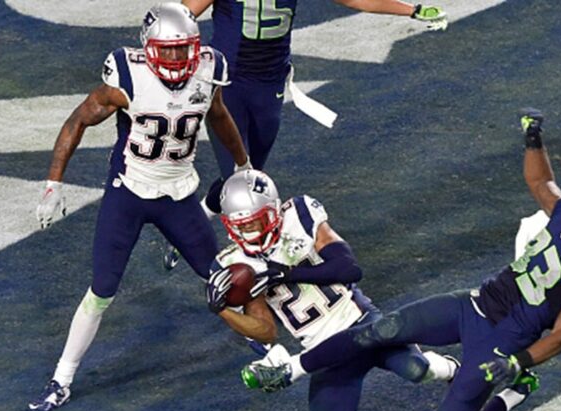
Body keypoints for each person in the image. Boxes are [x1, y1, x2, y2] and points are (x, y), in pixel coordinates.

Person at [240, 108, 561, 411]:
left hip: (506, 340)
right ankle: (292, 370)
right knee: (380, 329)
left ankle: (511, 395)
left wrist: (519, 362)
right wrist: (533, 138)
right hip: (475, 303)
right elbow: (540, 182)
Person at [28, 2, 249, 411]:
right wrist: (52, 183)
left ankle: (262, 339)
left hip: (179, 193)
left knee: (221, 279)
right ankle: (62, 378)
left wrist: (242, 164)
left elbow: (217, 115)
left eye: (184, 49)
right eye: (168, 51)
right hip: (128, 191)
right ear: (147, 48)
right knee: (102, 290)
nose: (178, 60)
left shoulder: (208, 69)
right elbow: (77, 121)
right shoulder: (126, 77)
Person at [162, 0, 447, 269]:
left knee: (248, 175)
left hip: (269, 84)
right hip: (226, 85)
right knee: (244, 183)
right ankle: (247, 266)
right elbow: (180, 20)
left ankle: (187, 227)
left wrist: (412, 9)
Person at [204, 169, 460, 411]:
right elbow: (266, 332)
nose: (247, 234)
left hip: (362, 323)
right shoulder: (234, 263)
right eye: (239, 227)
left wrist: (285, 274)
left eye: (254, 224)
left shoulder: (299, 216)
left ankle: (452, 368)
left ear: (273, 210)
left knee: (416, 369)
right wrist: (224, 311)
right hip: (323, 351)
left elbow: (348, 268)